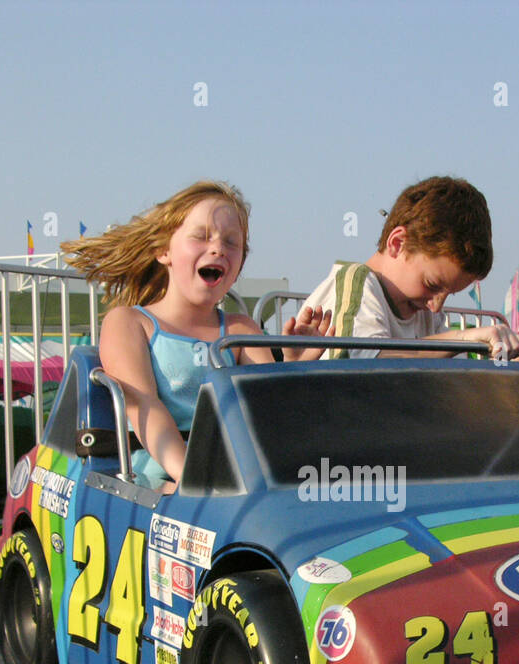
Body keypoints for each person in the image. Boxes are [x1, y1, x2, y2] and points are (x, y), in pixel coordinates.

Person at [63, 180, 330, 488]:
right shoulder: (129, 323)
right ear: (163, 251)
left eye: (232, 243)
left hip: (234, 480)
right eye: (201, 237)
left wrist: (290, 368)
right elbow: (144, 405)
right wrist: (196, 480)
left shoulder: (240, 330)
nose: (217, 248)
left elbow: (270, 416)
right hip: (159, 478)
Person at [302, 176, 519, 361]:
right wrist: (466, 337)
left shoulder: (424, 313)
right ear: (398, 243)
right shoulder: (355, 283)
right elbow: (369, 363)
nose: (436, 306)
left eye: (448, 294)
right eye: (432, 284)